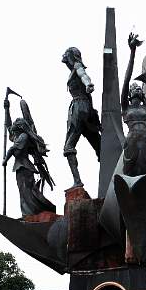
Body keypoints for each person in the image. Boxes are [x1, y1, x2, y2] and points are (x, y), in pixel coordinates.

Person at [4, 98, 56, 216]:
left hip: (24, 167)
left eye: (14, 127)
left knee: (26, 192)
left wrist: (5, 160)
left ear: (19, 128)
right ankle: (26, 214)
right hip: (21, 167)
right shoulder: (18, 136)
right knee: (23, 192)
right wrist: (7, 109)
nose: (11, 128)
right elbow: (8, 126)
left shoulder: (23, 137)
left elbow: (12, 149)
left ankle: (28, 214)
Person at [120, 32, 146, 177]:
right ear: (129, 94)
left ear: (142, 94)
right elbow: (126, 78)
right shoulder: (125, 107)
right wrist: (132, 51)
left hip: (145, 140)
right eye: (133, 88)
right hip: (130, 141)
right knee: (129, 175)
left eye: (138, 88)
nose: (135, 88)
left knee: (145, 175)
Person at [61, 47, 101, 187]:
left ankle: (77, 181)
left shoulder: (77, 66)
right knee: (99, 146)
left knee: (68, 147)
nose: (64, 58)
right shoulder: (73, 70)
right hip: (86, 109)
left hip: (79, 108)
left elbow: (83, 75)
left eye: (66, 55)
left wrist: (88, 84)